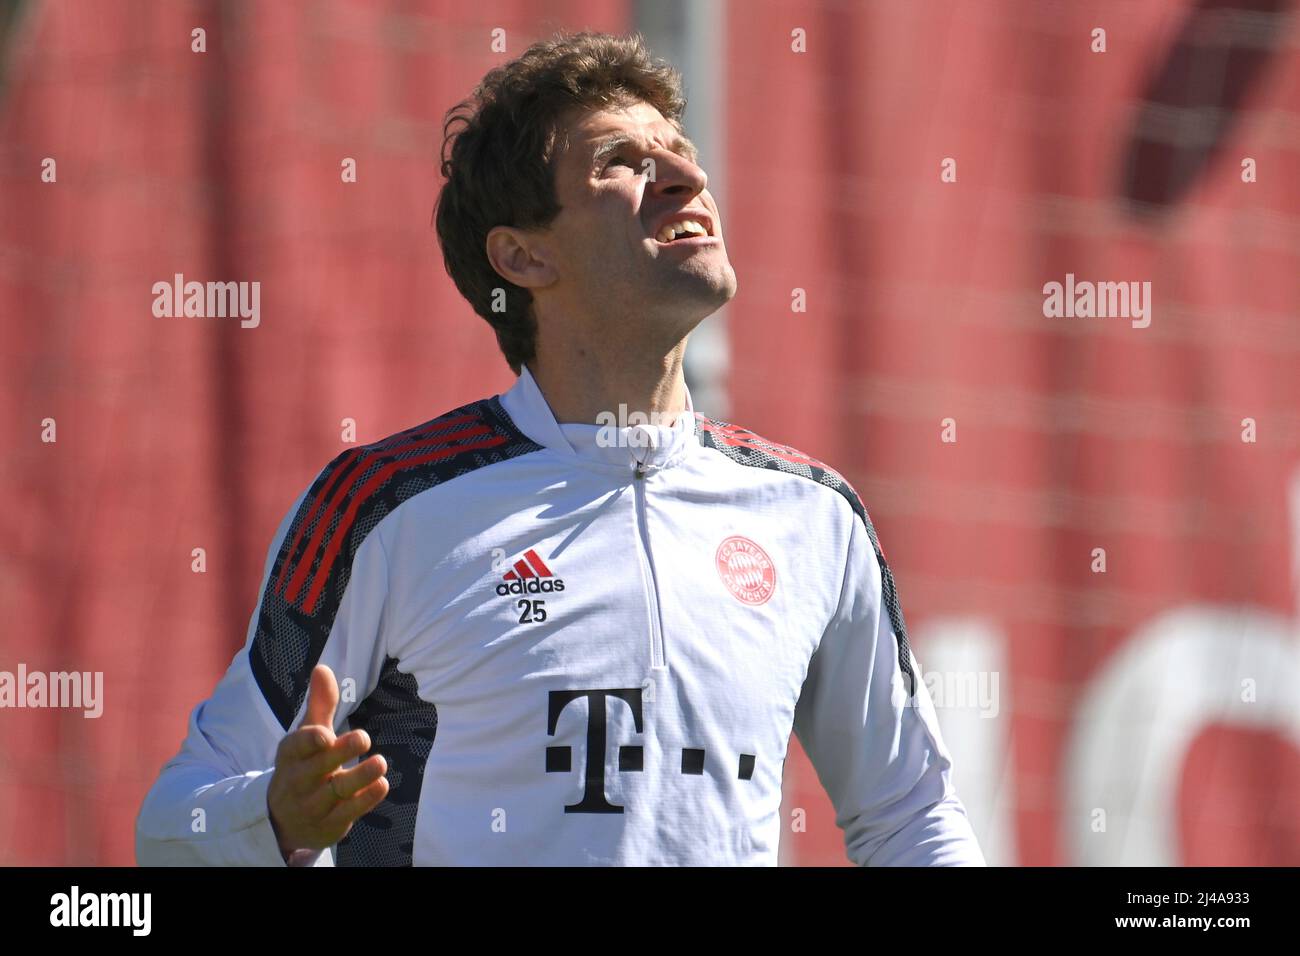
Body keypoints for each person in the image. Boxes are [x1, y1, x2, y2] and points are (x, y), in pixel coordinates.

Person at [135, 31, 985, 867]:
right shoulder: (388, 504)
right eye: (621, 160)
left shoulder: (813, 517)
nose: (687, 176)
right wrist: (274, 818)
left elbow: (910, 819)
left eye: (682, 152)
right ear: (522, 255)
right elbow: (171, 829)